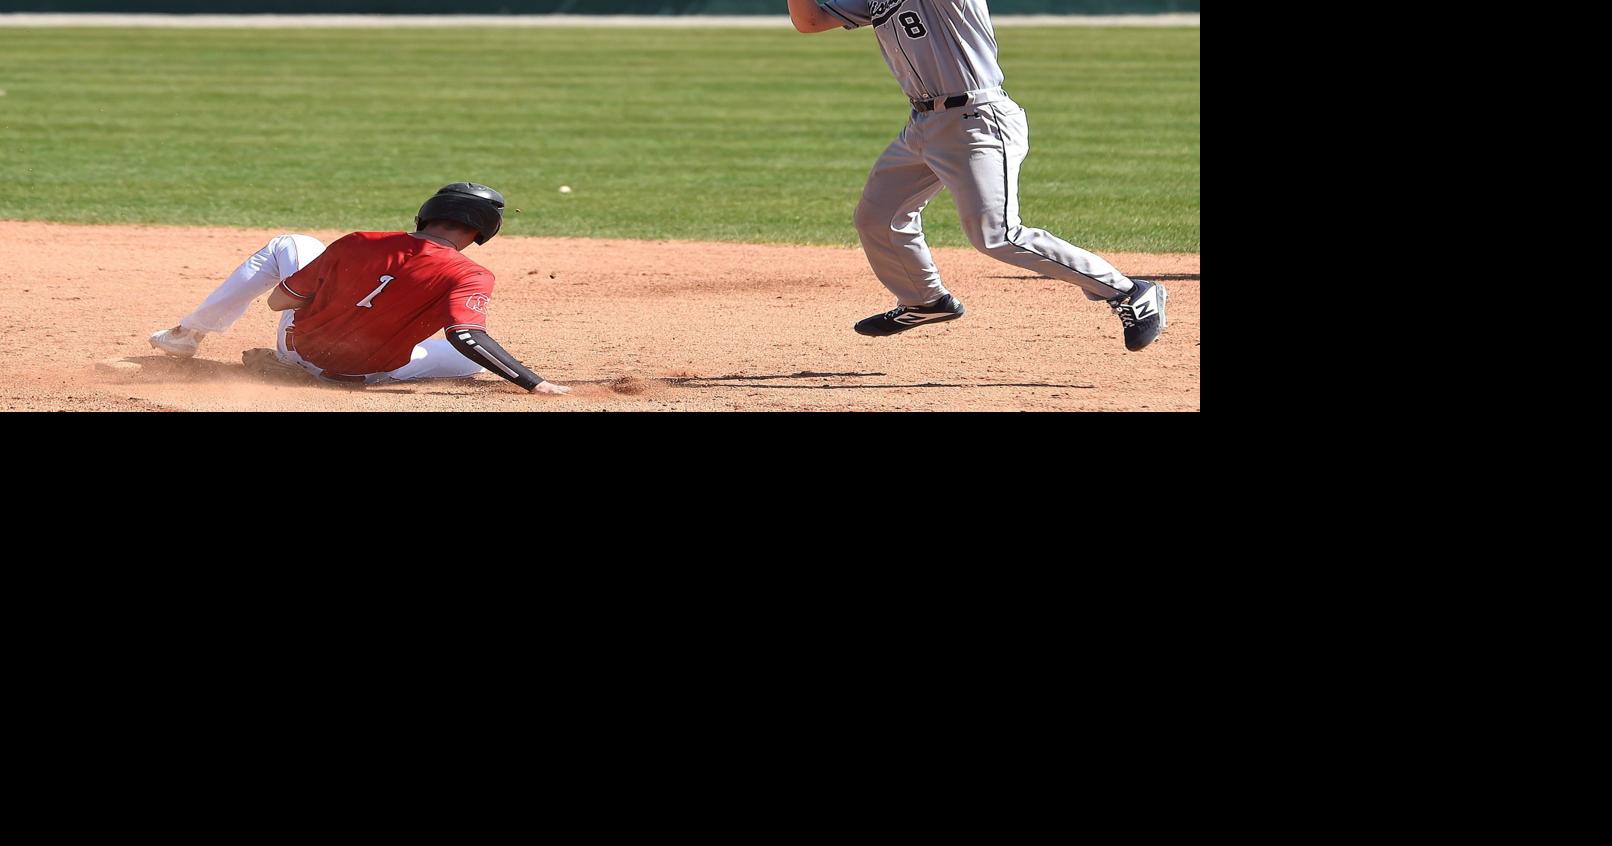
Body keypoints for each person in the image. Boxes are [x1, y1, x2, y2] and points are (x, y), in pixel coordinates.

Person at [785, 0, 1167, 351]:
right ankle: (925, 300)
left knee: (997, 234)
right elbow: (810, 20)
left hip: (977, 121)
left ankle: (1129, 291)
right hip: (923, 126)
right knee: (877, 217)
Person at [147, 183, 569, 394]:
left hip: (299, 348)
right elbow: (466, 336)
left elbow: (279, 302)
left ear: (427, 215)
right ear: (482, 232)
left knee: (288, 245)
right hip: (369, 372)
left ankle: (188, 334)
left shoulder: (360, 241)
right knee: (470, 365)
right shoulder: (472, 275)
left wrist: (337, 290)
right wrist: (535, 384)